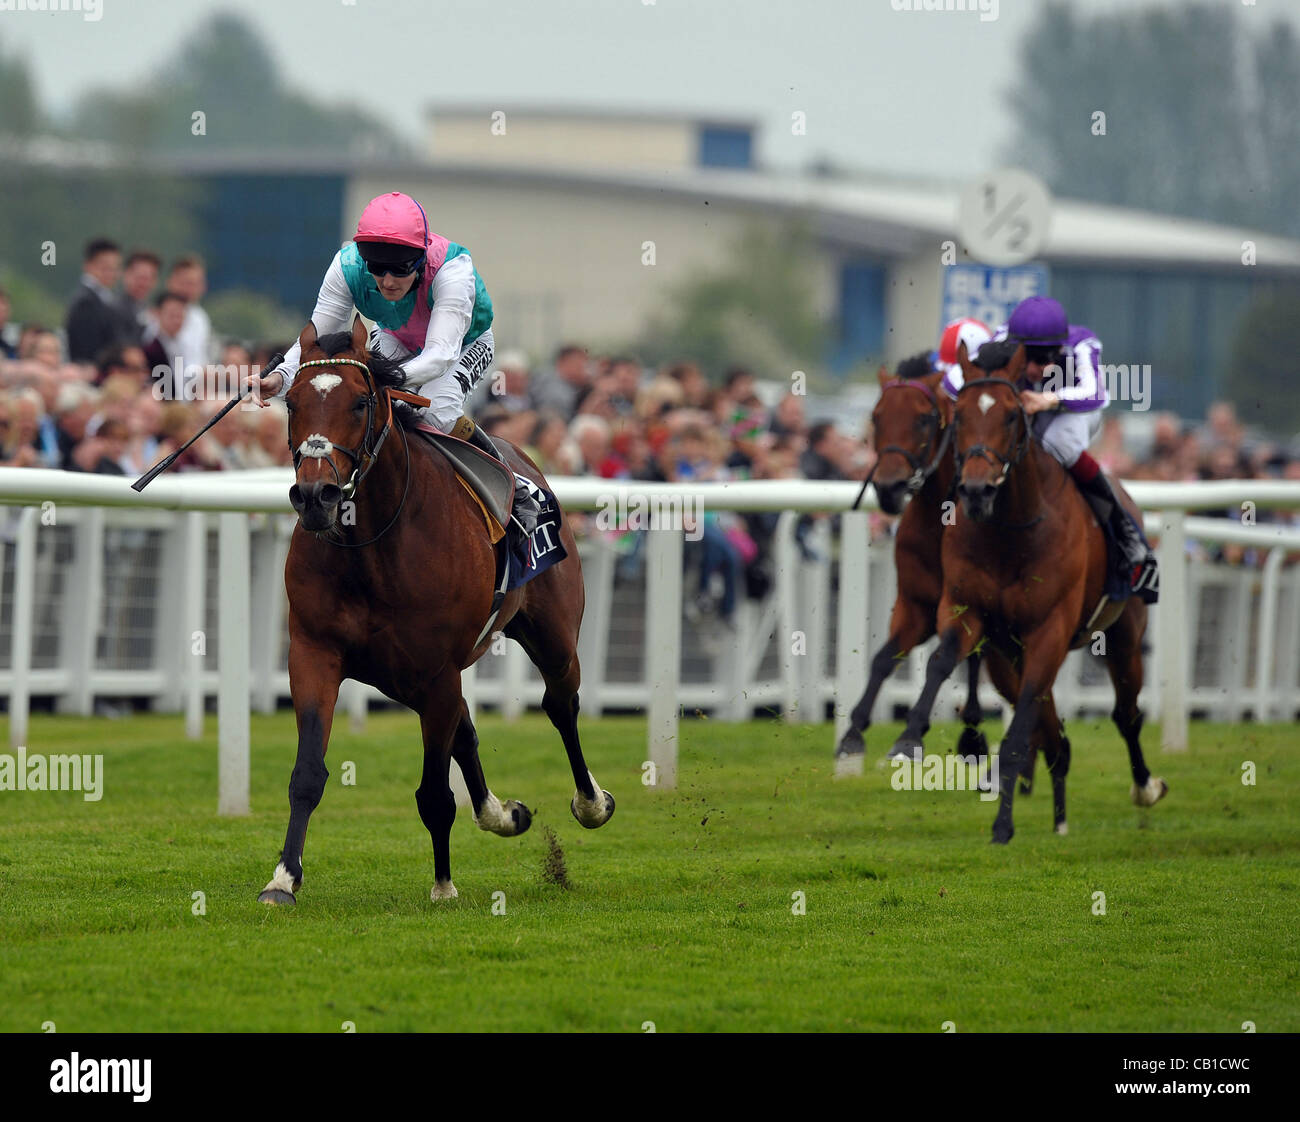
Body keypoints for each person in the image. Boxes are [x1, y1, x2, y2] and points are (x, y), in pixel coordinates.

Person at [248, 190, 538, 530]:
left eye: (399, 270)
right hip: (395, 335)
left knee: (435, 410)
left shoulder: (452, 271)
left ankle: (514, 484)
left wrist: (383, 377)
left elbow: (439, 356)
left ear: (419, 258)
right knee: (366, 404)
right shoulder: (346, 266)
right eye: (377, 269)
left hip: (462, 344)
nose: (386, 281)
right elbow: (314, 337)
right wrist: (280, 377)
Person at [943, 295, 1158, 601]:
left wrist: (1048, 399)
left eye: (1043, 360)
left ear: (1059, 350)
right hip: (1020, 411)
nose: (1032, 369)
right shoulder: (1003, 339)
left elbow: (1096, 393)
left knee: (1059, 443)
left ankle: (1126, 533)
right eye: (1026, 358)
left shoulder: (1082, 344)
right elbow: (952, 383)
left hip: (1074, 411)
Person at [64, 237, 125, 363]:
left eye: (115, 267)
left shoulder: (103, 299)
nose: (112, 273)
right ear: (88, 265)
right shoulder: (85, 302)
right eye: (106, 267)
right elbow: (86, 352)